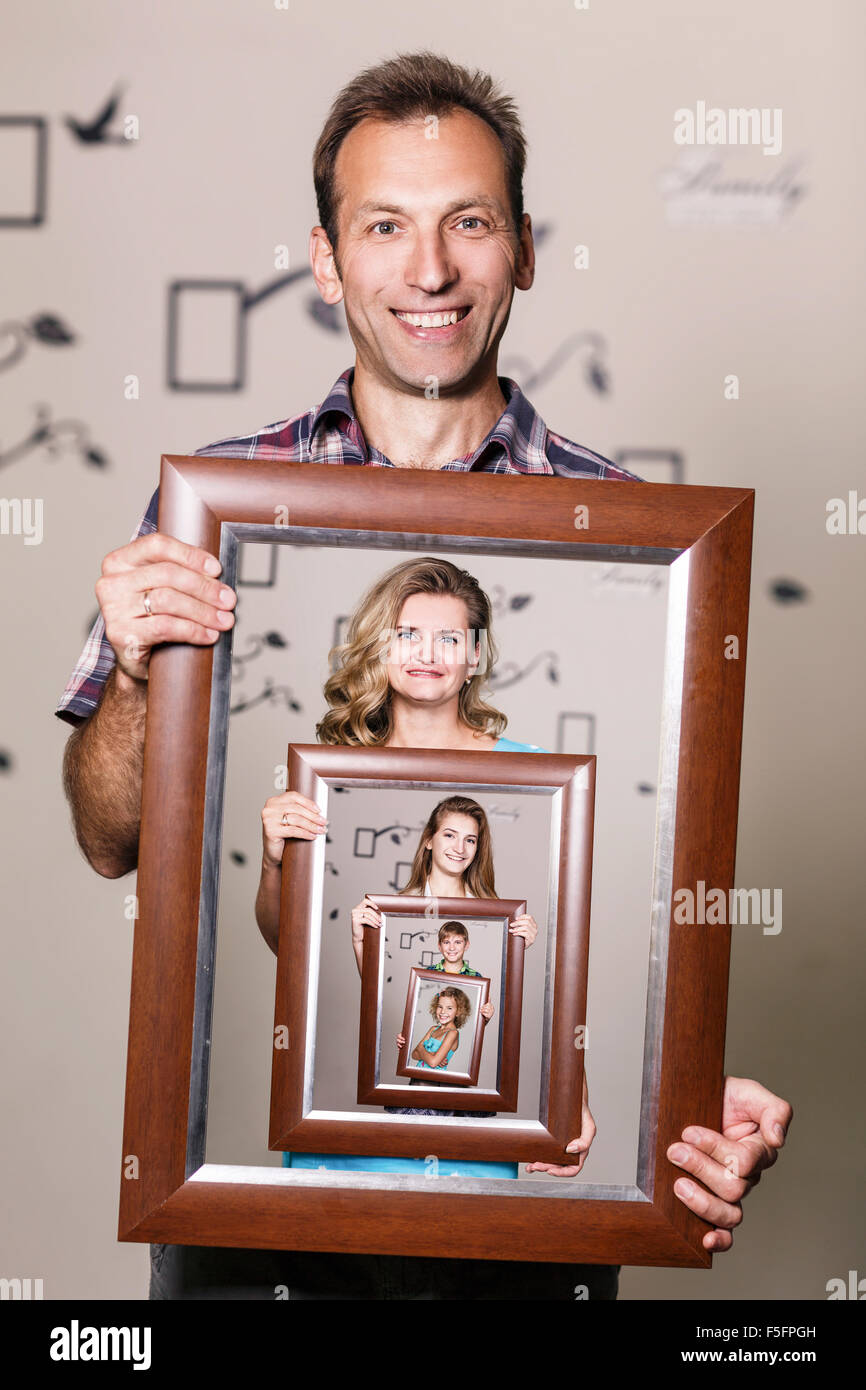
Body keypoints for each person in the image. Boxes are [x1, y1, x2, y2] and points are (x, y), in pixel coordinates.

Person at [56, 50, 792, 1296]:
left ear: (523, 247)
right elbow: (109, 839)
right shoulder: (216, 507)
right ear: (325, 257)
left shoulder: (630, 530)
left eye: (469, 223)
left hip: (526, 1226)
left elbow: (613, 912)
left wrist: (677, 1092)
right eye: (383, 225)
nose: (429, 269)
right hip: (263, 1221)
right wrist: (133, 675)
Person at [409, 986, 470, 1070]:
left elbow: (433, 1063)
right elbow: (414, 1055)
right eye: (440, 1006)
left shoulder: (453, 1033)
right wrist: (431, 1056)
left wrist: (421, 1049)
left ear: (458, 1012)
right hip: (416, 1076)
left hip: (432, 1081)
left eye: (449, 1008)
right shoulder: (433, 1029)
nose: (443, 1012)